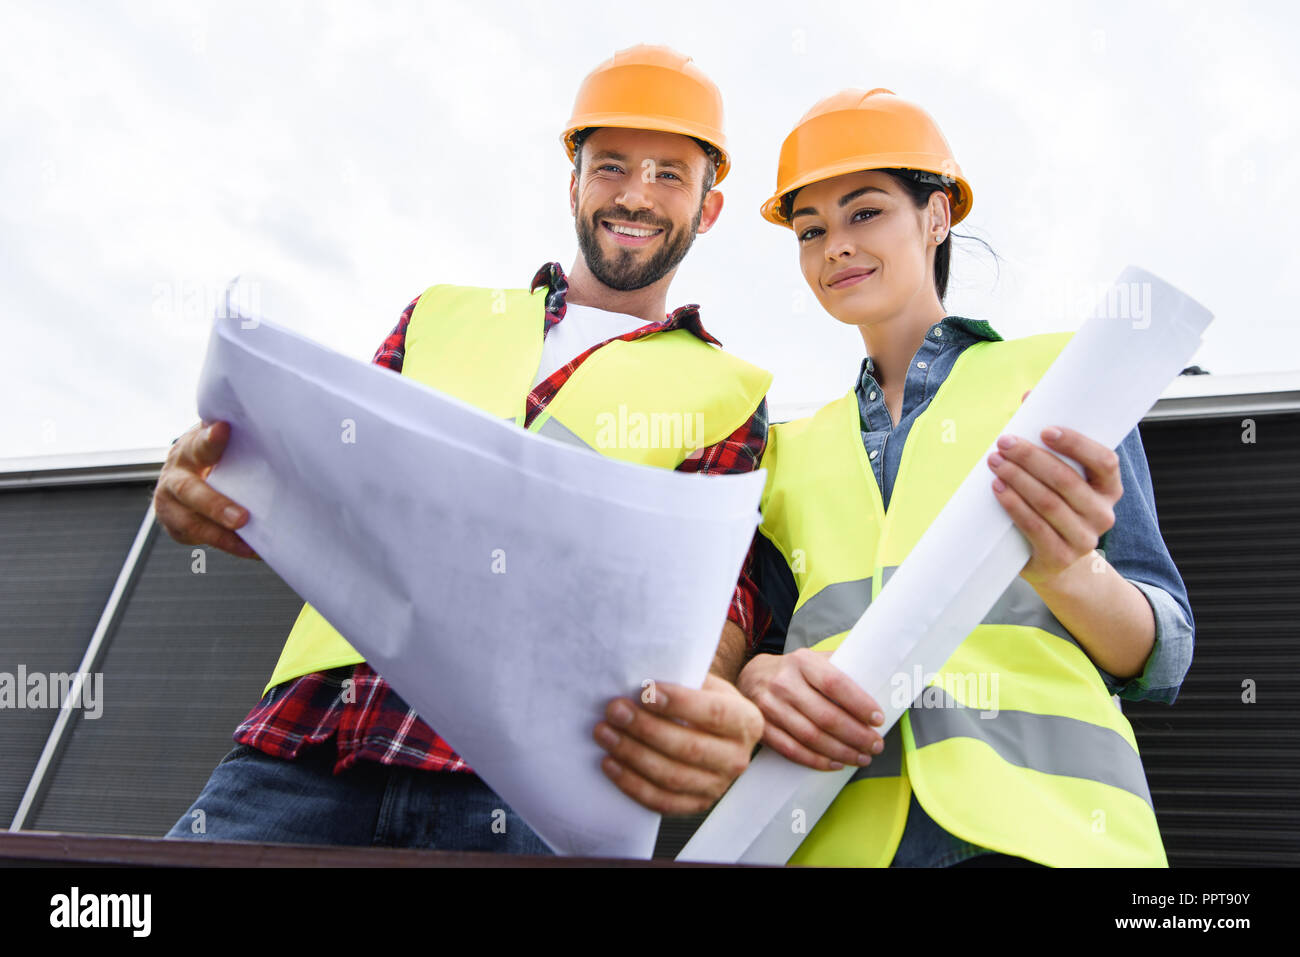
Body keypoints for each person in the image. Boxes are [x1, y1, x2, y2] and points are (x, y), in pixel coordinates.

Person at [155, 45, 769, 853]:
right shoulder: (439, 315)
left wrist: (704, 699)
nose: (635, 195)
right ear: (575, 182)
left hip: (528, 784)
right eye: (611, 166)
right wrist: (212, 470)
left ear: (708, 208)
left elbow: (718, 596)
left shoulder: (730, 392)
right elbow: (319, 472)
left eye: (668, 175)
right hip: (310, 744)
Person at [737, 89, 1195, 867]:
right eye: (810, 231)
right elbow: (768, 646)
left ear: (938, 215)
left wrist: (1068, 570)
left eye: (865, 212)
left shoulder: (1056, 381)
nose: (835, 246)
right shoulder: (784, 452)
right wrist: (758, 678)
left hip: (1048, 838)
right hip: (836, 840)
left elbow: (1163, 652)